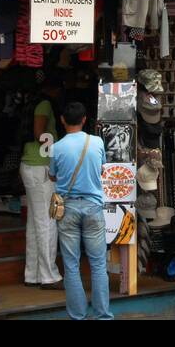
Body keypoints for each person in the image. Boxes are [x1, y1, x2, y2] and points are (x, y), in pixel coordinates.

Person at [49, 101, 111, 320]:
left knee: (71, 265)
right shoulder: (96, 142)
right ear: (85, 120)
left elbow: (52, 175)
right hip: (93, 207)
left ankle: (78, 316)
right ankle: (103, 315)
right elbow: (101, 168)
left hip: (68, 208)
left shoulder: (56, 147)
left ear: (62, 120)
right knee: (98, 264)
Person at [20, 79, 62, 289]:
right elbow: (40, 134)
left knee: (35, 224)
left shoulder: (32, 102)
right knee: (48, 221)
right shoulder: (45, 104)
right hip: (41, 168)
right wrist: (53, 152)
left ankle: (33, 273)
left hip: (30, 165)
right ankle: (49, 276)